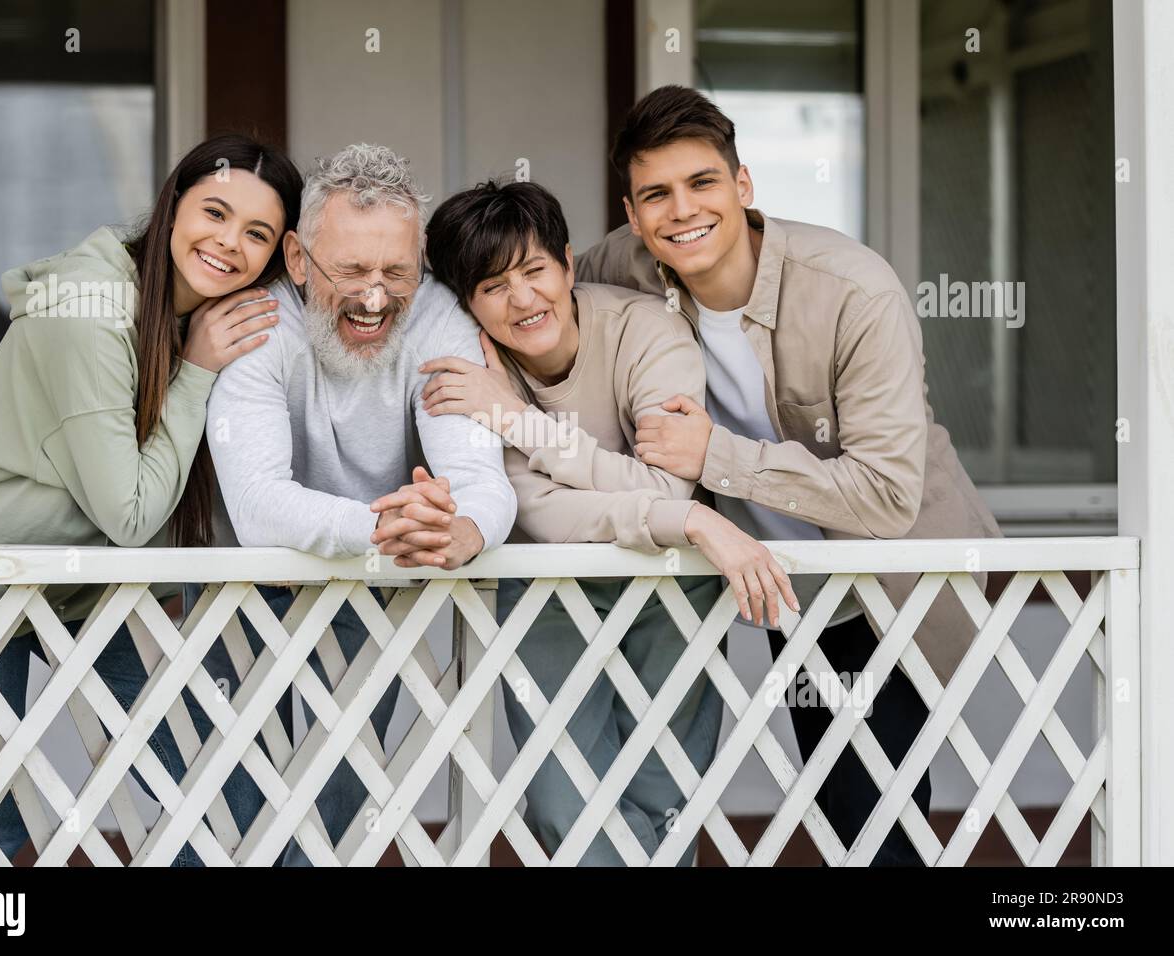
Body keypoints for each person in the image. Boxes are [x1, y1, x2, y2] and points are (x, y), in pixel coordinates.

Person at [577, 85, 1001, 865]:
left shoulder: (852, 290)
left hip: (879, 585)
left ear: (742, 185)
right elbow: (521, 300)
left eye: (702, 183)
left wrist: (715, 458)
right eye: (656, 195)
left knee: (872, 820)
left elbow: (886, 494)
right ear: (632, 216)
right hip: (752, 578)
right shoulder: (615, 268)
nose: (682, 211)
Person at [420, 178, 797, 864]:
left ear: (567, 263)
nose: (525, 300)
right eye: (494, 286)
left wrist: (519, 423)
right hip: (549, 588)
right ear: (467, 303)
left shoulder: (647, 330)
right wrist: (680, 516)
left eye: (535, 271)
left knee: (667, 795)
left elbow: (668, 479)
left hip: (673, 580)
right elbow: (540, 513)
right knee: (566, 803)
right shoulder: (473, 369)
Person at [0, 133, 302, 865]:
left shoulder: (200, 317)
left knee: (212, 782)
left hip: (85, 578)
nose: (229, 243)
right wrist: (198, 371)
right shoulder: (90, 313)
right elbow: (131, 514)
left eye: (257, 233)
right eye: (214, 212)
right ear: (173, 203)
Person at [204, 144, 517, 860]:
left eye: (395, 273)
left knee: (334, 827)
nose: (375, 297)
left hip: (364, 596)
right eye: (350, 271)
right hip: (238, 598)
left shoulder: (439, 319)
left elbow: (479, 481)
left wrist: (461, 532)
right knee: (220, 820)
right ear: (297, 258)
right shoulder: (261, 321)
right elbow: (256, 507)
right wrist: (388, 524)